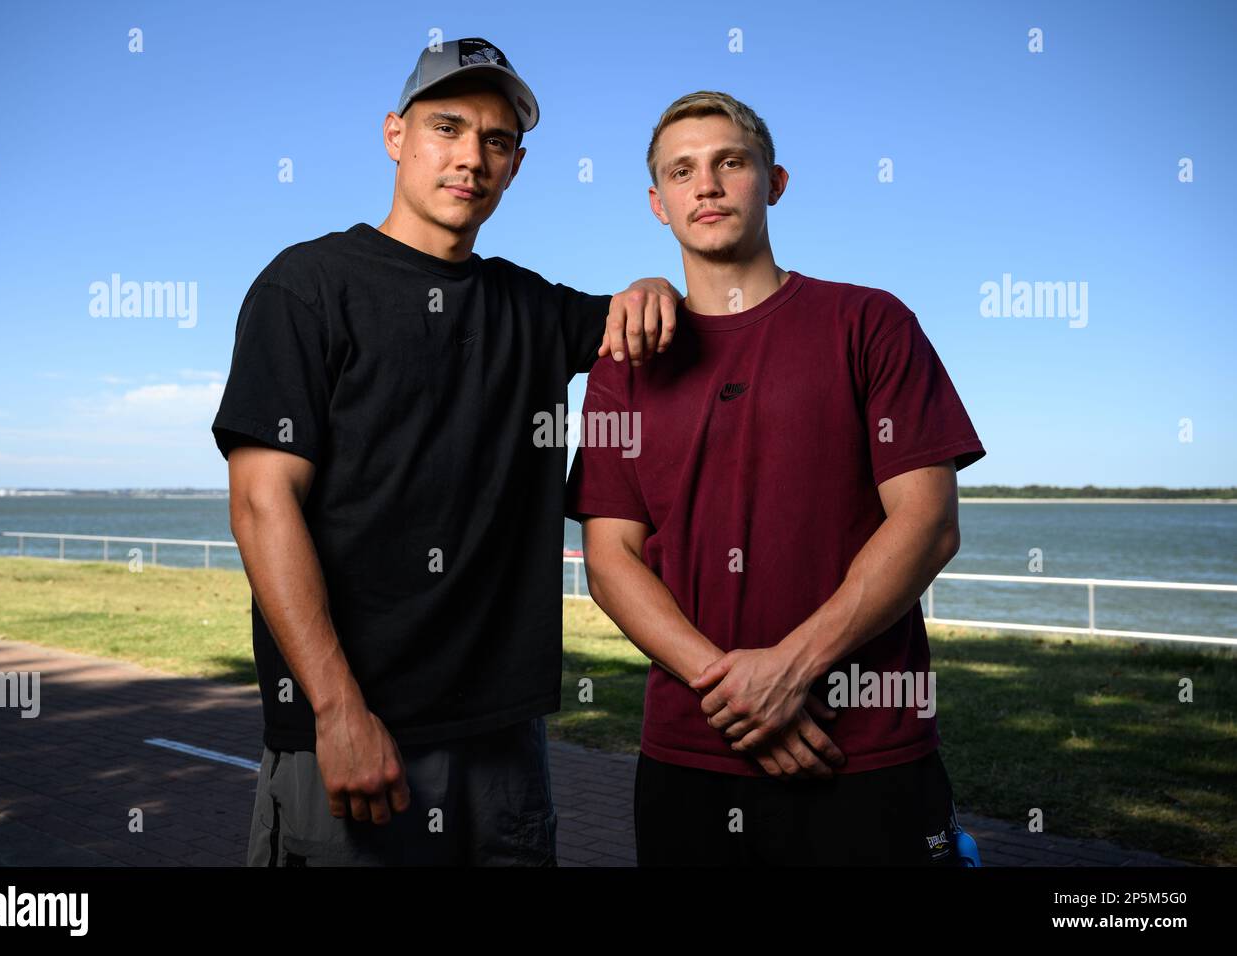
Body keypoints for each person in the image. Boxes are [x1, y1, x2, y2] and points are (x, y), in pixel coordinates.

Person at [211, 37, 679, 866]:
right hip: (353, 735)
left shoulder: (531, 308)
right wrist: (337, 710)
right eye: (448, 128)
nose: (471, 158)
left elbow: (635, 322)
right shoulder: (306, 287)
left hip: (504, 743)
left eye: (495, 142)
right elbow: (260, 504)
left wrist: (654, 286)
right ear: (396, 136)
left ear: (516, 166)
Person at [566, 90, 987, 866]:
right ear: (658, 205)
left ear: (775, 181)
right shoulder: (622, 365)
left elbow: (928, 522)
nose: (709, 185)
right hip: (691, 756)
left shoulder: (869, 323)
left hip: (865, 747)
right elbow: (611, 560)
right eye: (682, 171)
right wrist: (736, 691)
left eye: (731, 162)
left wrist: (791, 668)